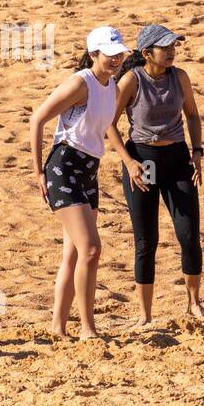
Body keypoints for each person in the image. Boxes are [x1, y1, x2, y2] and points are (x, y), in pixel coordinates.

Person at [29, 26, 128, 339]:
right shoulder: (79, 83)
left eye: (119, 54)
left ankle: (58, 327)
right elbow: (37, 118)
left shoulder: (111, 85)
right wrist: (38, 171)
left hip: (89, 169)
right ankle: (87, 328)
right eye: (109, 55)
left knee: (73, 255)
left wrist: (127, 158)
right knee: (91, 249)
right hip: (64, 167)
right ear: (93, 54)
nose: (115, 60)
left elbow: (108, 125)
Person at [106, 24, 204, 325]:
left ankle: (194, 303)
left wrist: (197, 152)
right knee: (146, 239)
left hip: (176, 158)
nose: (173, 51)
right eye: (166, 47)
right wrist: (128, 162)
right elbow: (108, 124)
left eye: (175, 46)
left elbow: (191, 114)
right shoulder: (131, 81)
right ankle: (144, 315)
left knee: (188, 234)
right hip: (143, 160)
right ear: (147, 53)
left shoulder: (180, 77)